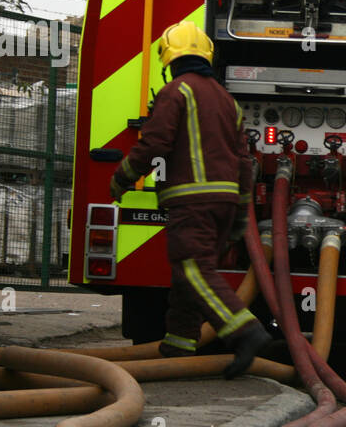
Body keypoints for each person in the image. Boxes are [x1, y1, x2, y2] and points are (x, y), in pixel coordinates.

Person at [109, 20, 268, 378]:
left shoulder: (176, 92)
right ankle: (178, 347)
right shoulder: (228, 102)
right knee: (186, 280)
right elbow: (245, 162)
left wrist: (123, 178)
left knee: (193, 269)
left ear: (169, 58)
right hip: (224, 204)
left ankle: (245, 331)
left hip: (192, 202)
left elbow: (155, 143)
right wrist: (240, 216)